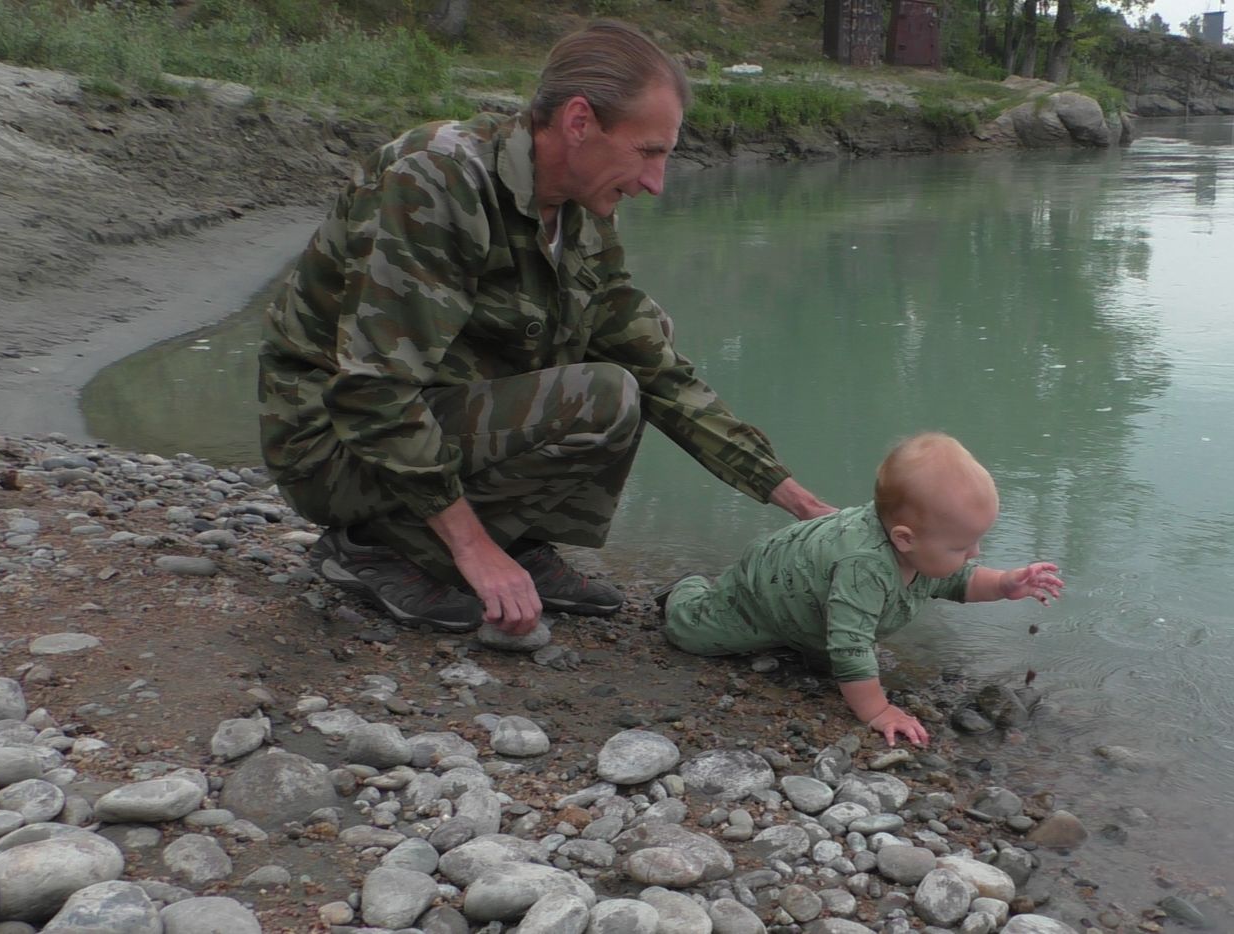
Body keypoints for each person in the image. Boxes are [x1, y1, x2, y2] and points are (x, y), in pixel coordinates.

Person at [258, 21, 832, 637]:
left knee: (642, 340)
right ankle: (377, 549)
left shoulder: (580, 213)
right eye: (648, 152)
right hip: (331, 446)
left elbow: (653, 363)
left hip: (420, 413)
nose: (655, 184)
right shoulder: (436, 179)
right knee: (604, 395)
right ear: (579, 122)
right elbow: (373, 391)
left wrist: (795, 499)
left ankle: (518, 541)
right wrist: (473, 549)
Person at [657, 432, 1064, 748]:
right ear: (905, 539)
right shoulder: (865, 568)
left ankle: (804, 638)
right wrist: (879, 711)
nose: (974, 553)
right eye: (962, 547)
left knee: (827, 639)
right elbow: (851, 647)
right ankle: (688, 592)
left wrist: (1005, 584)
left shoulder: (919, 546)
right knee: (690, 634)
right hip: (762, 593)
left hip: (811, 597)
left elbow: (958, 579)